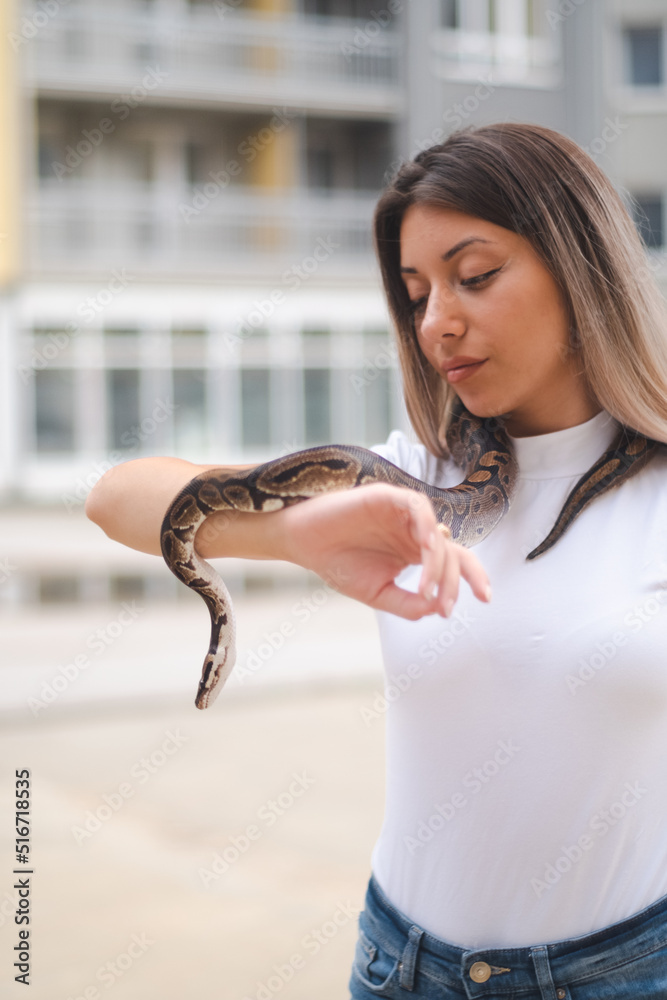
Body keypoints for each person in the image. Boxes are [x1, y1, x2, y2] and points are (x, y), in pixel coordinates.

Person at [86, 122, 667, 999]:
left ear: (580, 268)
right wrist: (288, 538)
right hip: (398, 969)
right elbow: (115, 495)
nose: (438, 321)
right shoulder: (407, 475)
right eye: (414, 292)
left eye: (473, 277)